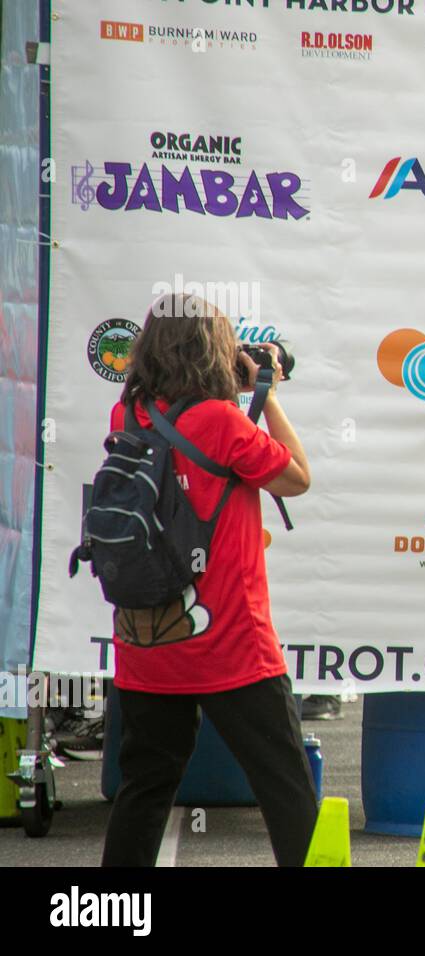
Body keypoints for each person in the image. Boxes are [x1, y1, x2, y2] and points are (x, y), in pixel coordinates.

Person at [101, 294, 317, 867]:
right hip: (231, 644)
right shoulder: (222, 421)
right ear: (213, 352)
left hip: (147, 642)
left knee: (144, 786)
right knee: (284, 785)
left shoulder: (129, 415)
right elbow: (295, 479)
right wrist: (268, 396)